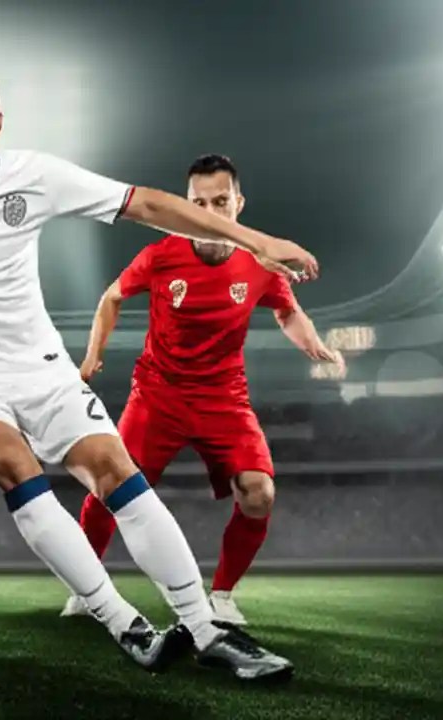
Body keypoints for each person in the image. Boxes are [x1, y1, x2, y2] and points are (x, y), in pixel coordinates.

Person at [0, 61, 313, 680]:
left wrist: (255, 241)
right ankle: (124, 624)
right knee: (15, 466)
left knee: (118, 473)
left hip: (42, 365)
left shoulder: (37, 175)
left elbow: (149, 204)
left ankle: (207, 629)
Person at [67, 154, 344, 626]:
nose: (210, 213)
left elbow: (287, 311)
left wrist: (311, 341)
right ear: (186, 204)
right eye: (199, 203)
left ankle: (221, 596)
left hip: (224, 399)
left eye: (220, 201)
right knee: (109, 484)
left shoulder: (261, 264)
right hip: (158, 393)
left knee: (259, 493)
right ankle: (86, 589)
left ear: (239, 202)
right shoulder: (160, 255)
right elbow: (112, 296)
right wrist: (93, 355)